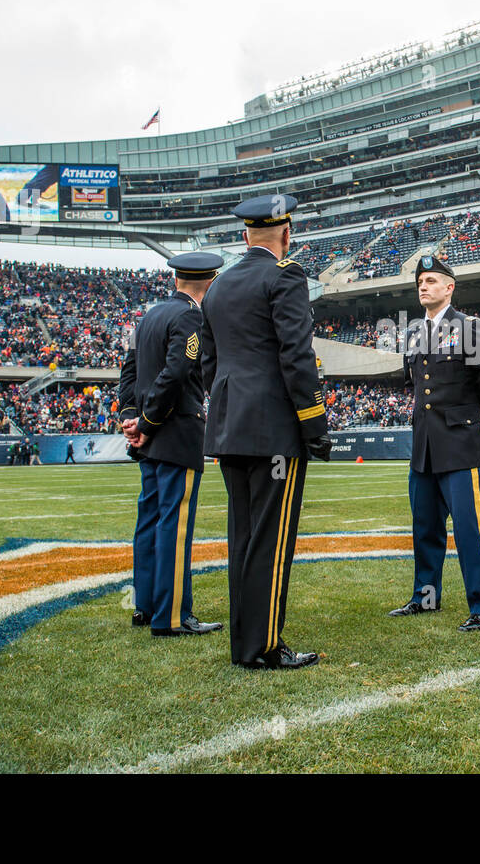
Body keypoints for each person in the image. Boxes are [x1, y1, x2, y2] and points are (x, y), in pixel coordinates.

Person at [202, 194, 331, 669]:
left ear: (244, 237)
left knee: (243, 536)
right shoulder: (285, 274)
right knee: (271, 540)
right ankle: (264, 647)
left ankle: (245, 644)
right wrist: (314, 423)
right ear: (286, 234)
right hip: (273, 428)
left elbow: (209, 363)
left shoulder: (217, 286)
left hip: (230, 425)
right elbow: (296, 355)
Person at [390, 256, 480, 631]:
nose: (423, 286)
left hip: (458, 444)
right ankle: (425, 598)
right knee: (426, 527)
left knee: (469, 529)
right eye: (420, 282)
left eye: (431, 280)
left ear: (449, 287)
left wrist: (470, 405)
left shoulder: (467, 328)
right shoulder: (413, 332)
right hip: (425, 446)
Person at [119, 251, 224, 638]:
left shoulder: (149, 316)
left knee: (148, 521)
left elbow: (128, 370)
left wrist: (133, 417)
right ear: (208, 282)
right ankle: (173, 616)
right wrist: (147, 421)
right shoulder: (189, 317)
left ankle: (145, 606)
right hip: (176, 431)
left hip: (148, 439)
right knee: (173, 526)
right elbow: (178, 371)